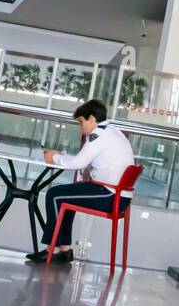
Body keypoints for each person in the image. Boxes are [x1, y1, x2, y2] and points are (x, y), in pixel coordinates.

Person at [28, 99, 135, 265]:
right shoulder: (113, 131)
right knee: (66, 196)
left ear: (91, 119)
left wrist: (54, 157)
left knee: (54, 194)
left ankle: (53, 248)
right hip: (119, 195)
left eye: (81, 122)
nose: (80, 127)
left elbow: (78, 163)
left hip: (110, 196)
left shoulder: (99, 136)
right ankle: (64, 249)